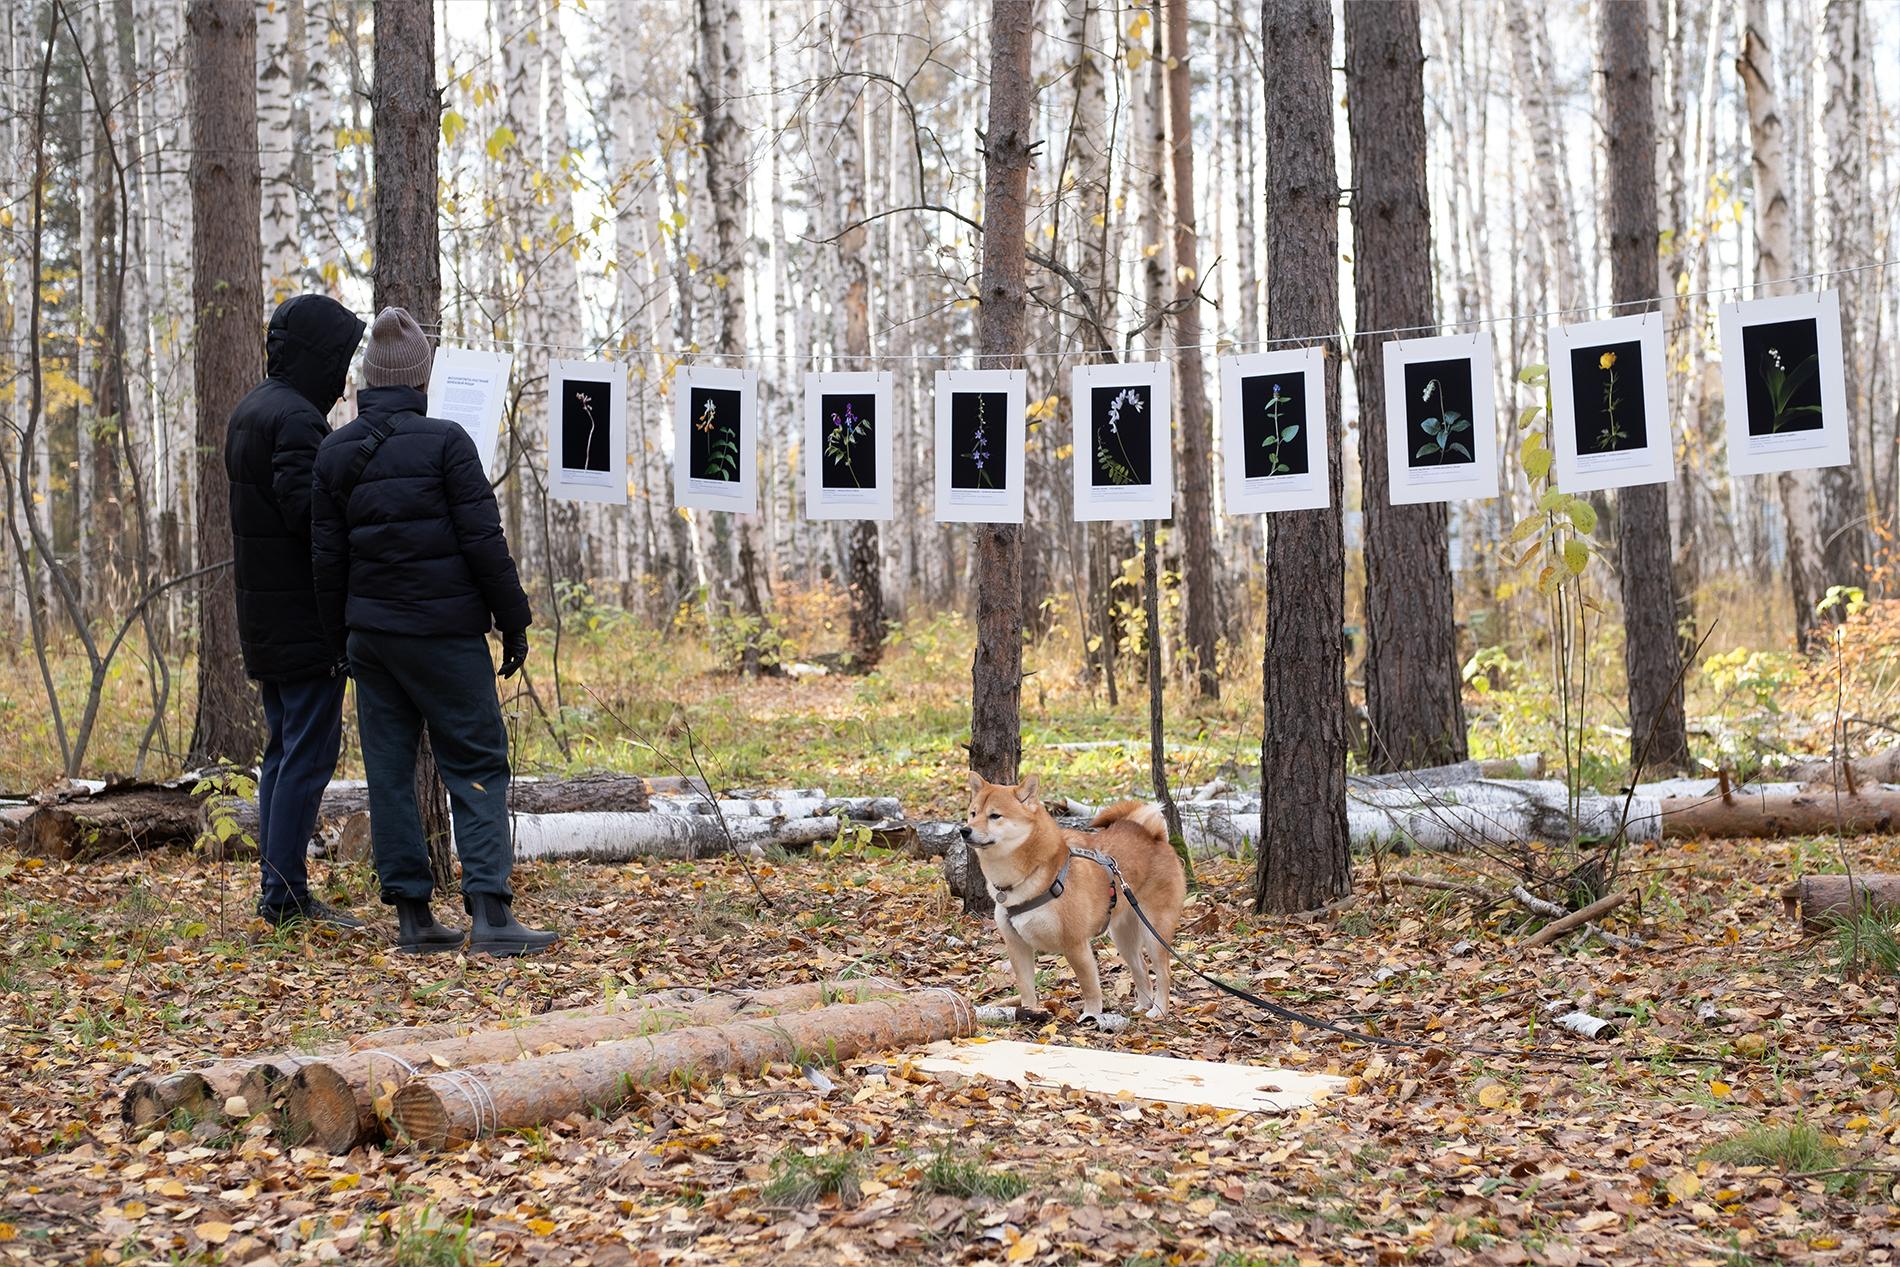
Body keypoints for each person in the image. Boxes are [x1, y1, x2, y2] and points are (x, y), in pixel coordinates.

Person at [310, 307, 554, 956]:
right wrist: (516, 621)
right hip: (444, 636)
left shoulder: (334, 453)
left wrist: (339, 643)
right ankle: (491, 914)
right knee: (475, 759)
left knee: (388, 773)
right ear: (422, 379)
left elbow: (327, 563)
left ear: (369, 382)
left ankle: (414, 919)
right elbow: (484, 544)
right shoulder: (447, 443)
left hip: (371, 639)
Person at [225, 294, 368, 928]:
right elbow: (308, 517)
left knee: (284, 751)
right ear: (316, 359)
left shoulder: (253, 409)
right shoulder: (296, 421)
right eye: (338, 360)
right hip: (302, 620)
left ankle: (278, 887)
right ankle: (283, 895)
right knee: (305, 754)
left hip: (266, 615)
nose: (342, 378)